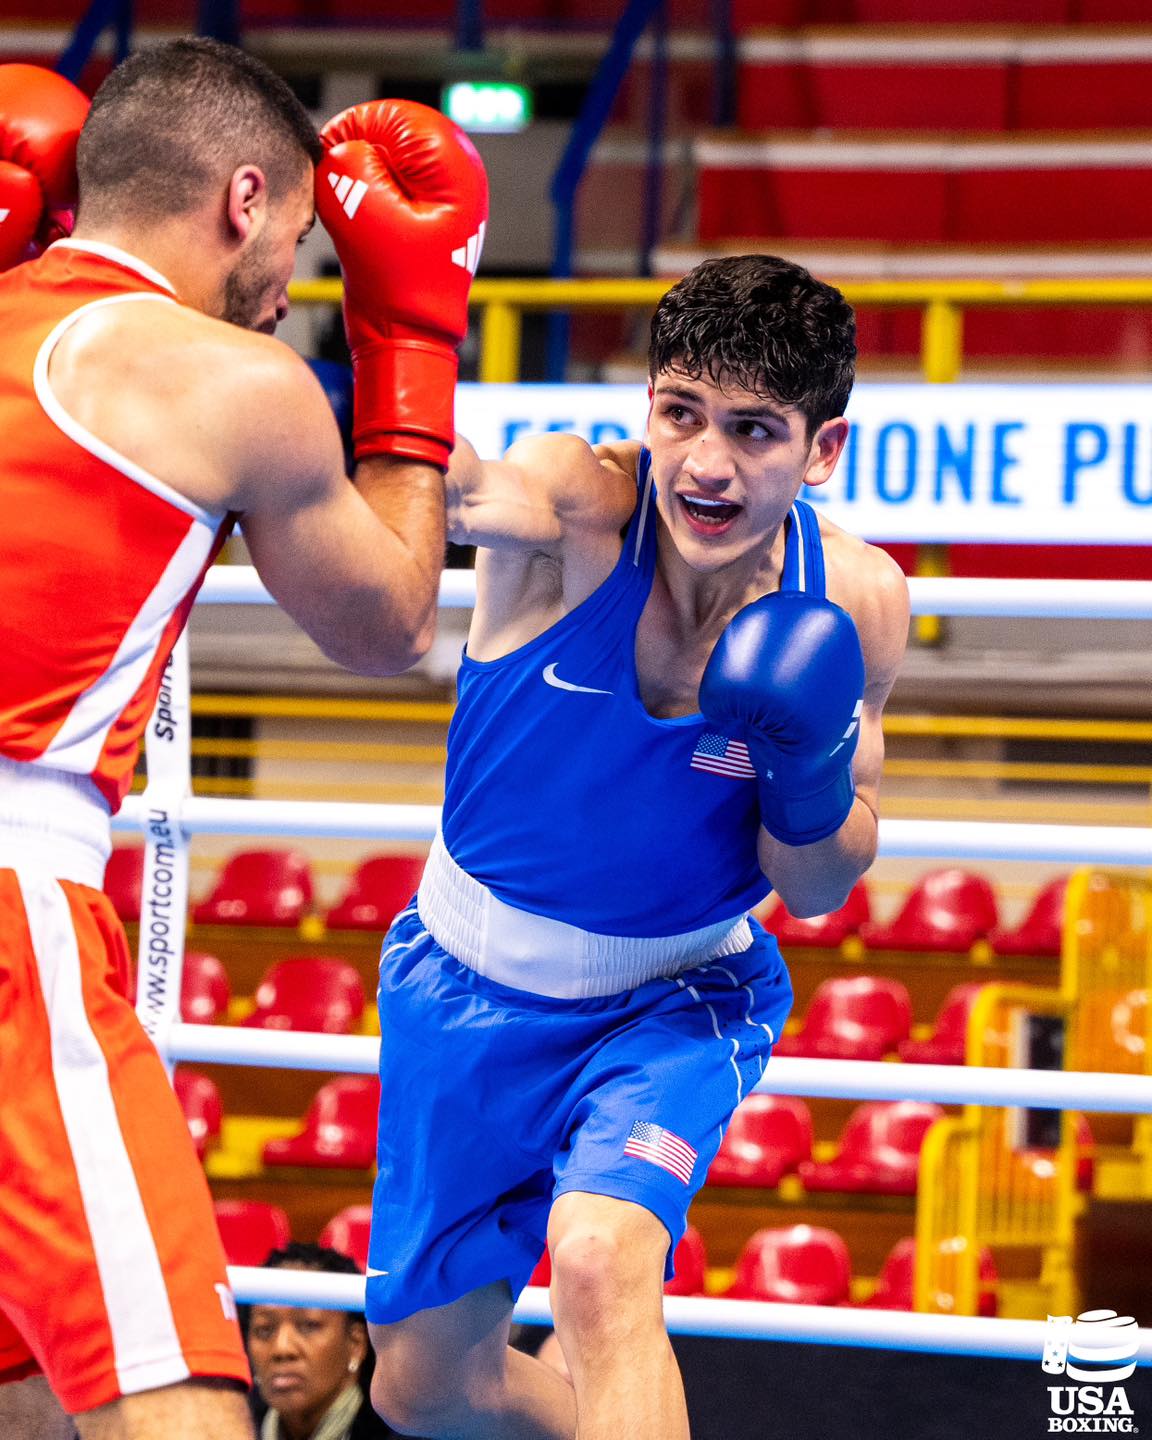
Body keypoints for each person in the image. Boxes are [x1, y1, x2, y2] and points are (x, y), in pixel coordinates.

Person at [0, 38, 486, 1440]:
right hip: (16, 930)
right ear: (245, 195)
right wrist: (410, 341)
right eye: (296, 243)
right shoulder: (225, 379)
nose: (294, 284)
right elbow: (390, 620)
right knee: (186, 1409)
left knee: (30, 1389)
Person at [363, 253, 910, 1439]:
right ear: (647, 409)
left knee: (604, 1263)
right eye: (682, 414)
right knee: (420, 1393)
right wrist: (390, 339)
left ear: (824, 450)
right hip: (466, 986)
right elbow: (468, 497)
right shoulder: (579, 508)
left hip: (678, 993)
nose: (707, 465)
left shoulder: (855, 598)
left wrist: (804, 768)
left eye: (756, 430)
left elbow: (814, 885)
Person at [245, 1244, 405, 1440]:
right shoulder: (231, 1425)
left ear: (356, 1344)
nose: (282, 1348)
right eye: (265, 1330)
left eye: (308, 1326)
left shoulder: (402, 1430)